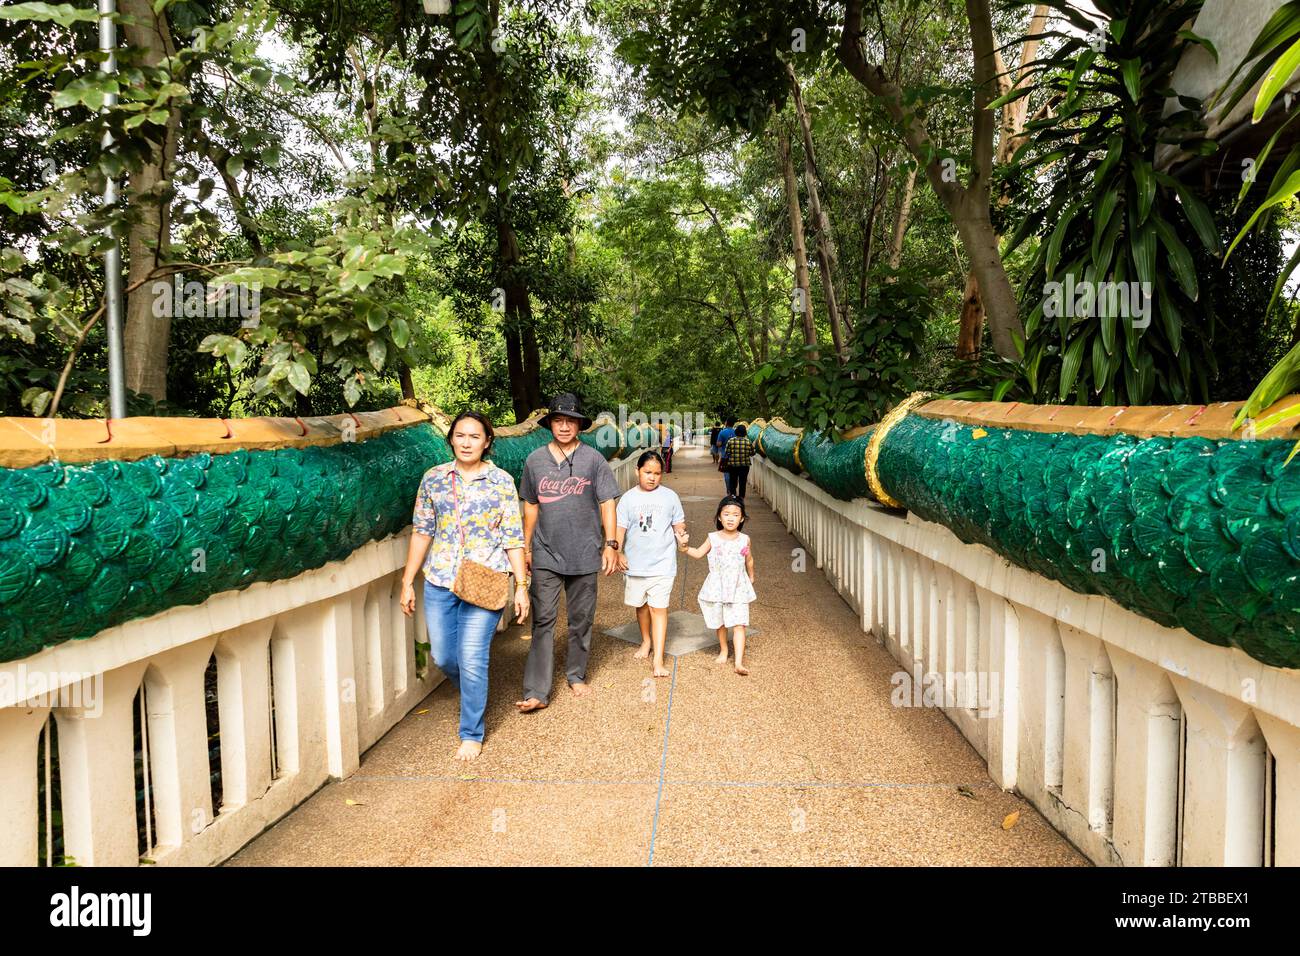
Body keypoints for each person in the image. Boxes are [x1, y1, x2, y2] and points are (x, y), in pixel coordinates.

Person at [400, 410, 529, 761]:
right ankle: (475, 690)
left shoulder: (501, 481)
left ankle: (471, 731)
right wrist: (408, 580)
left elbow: (512, 536)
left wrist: (521, 585)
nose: (467, 442)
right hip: (441, 579)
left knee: (472, 657)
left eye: (475, 436)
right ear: (451, 439)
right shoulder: (434, 479)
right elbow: (423, 530)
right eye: (460, 435)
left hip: (485, 580)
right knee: (444, 656)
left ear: (487, 441)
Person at [516, 392, 621, 713]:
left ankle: (576, 674)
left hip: (585, 553)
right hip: (545, 553)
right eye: (558, 421)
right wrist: (526, 547)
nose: (564, 427)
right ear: (550, 424)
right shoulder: (535, 460)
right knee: (543, 620)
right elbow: (530, 506)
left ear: (579, 425)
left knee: (580, 620)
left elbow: (608, 503)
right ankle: (537, 690)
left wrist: (612, 543)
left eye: (570, 421)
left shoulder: (594, 460)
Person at [616, 451, 687, 678]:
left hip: (663, 563)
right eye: (647, 472)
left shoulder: (670, 497)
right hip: (635, 563)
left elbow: (679, 525)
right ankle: (646, 641)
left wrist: (682, 537)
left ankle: (658, 659)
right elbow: (620, 529)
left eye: (657, 473)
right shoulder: (628, 498)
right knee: (642, 605)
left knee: (659, 608)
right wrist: (617, 551)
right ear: (637, 471)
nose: (652, 477)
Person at [679, 496, 756, 675]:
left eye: (735, 515)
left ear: (742, 518)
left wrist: (751, 576)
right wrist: (684, 548)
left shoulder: (744, 539)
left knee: (739, 624)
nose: (730, 518)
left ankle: (738, 662)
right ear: (719, 517)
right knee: (720, 622)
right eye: (726, 514)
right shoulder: (713, 538)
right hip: (718, 586)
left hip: (738, 586)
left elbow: (749, 560)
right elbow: (698, 553)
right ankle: (724, 649)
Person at [721, 422, 755, 501]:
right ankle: (741, 498)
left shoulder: (730, 441)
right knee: (742, 482)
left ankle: (733, 496)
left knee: (733, 481)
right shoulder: (748, 442)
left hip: (732, 465)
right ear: (745, 433)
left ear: (736, 432)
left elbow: (727, 452)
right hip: (744, 466)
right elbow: (752, 453)